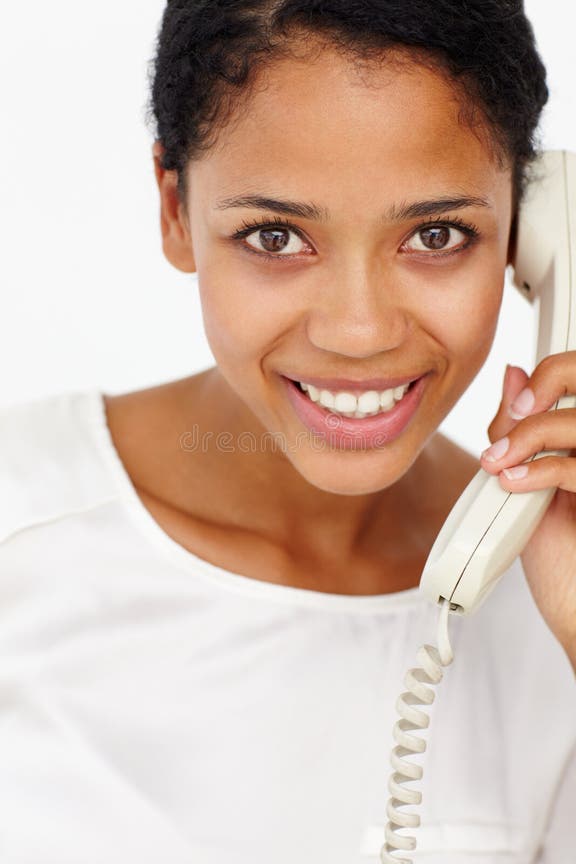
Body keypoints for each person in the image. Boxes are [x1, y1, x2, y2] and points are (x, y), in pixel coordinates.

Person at [1, 1, 575, 861]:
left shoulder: (549, 601)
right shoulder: (24, 520)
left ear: (528, 235)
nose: (359, 330)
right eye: (275, 236)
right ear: (173, 209)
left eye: (436, 233)